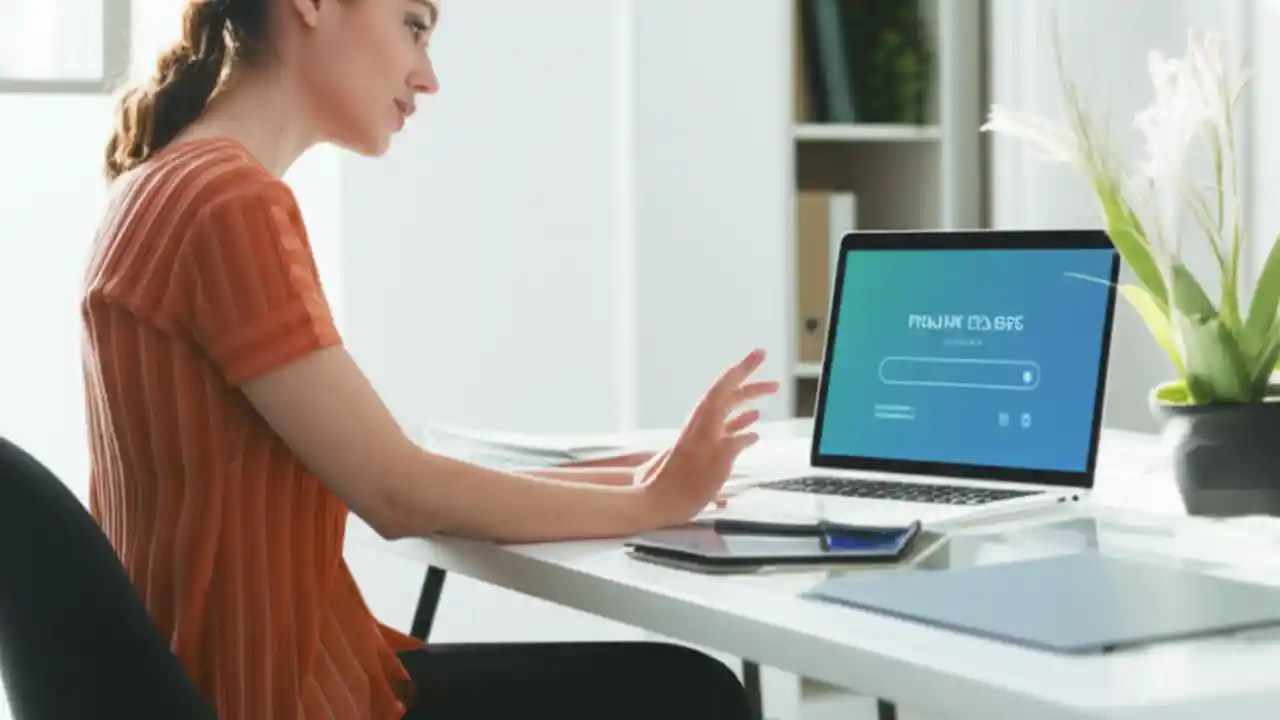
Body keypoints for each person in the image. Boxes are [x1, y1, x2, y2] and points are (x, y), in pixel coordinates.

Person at [82, 1, 778, 719]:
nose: (429, 77)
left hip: (203, 682)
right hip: (275, 697)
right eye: (413, 26)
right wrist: (651, 505)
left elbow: (375, 464)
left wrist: (633, 481)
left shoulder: (163, 182)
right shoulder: (227, 201)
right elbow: (398, 494)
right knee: (687, 695)